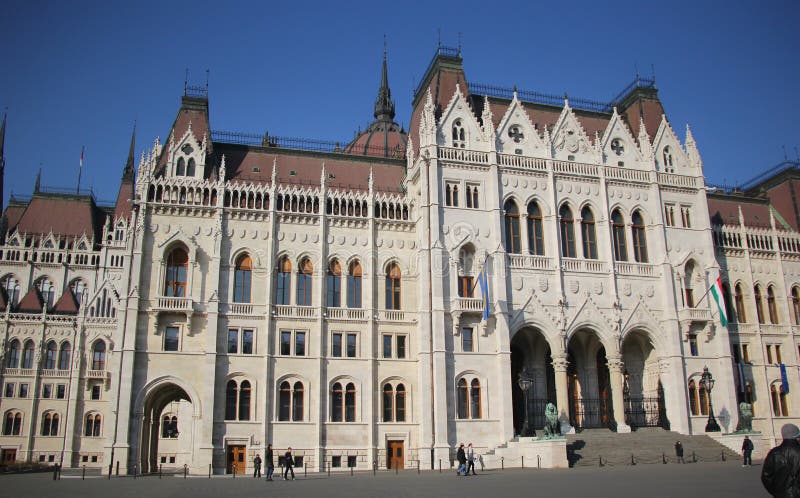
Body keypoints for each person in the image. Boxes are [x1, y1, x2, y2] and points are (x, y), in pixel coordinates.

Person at [761, 423, 800, 496]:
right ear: (797, 437)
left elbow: (766, 476)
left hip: (780, 494)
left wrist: (776, 491)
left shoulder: (774, 453)